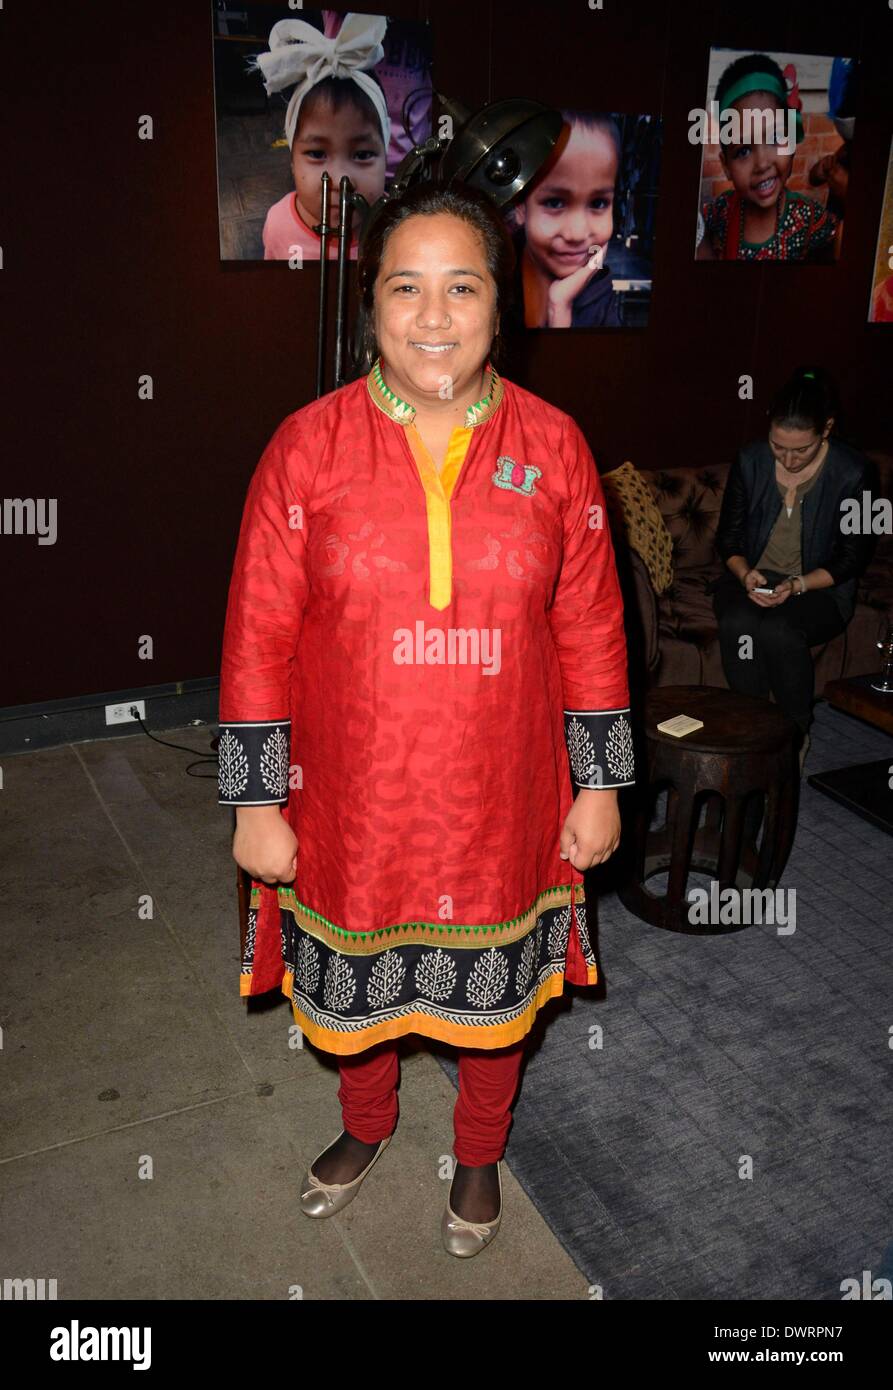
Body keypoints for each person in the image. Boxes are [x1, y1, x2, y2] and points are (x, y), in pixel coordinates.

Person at [216, 180, 635, 1257]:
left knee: (494, 1002)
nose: (434, 315)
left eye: (461, 286)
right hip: (350, 798)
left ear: (504, 308)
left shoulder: (553, 448)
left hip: (505, 795)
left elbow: (590, 624)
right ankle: (366, 1126)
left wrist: (597, 781)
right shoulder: (304, 449)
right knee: (355, 991)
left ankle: (480, 1150)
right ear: (373, 305)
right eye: (407, 287)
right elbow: (257, 634)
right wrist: (257, 798)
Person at [712, 366, 877, 770]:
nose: (787, 458)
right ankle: (754, 729)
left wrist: (798, 585)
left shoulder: (856, 472)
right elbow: (728, 539)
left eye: (799, 450)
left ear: (827, 429)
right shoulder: (750, 461)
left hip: (820, 587)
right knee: (737, 622)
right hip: (750, 576)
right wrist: (744, 572)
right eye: (777, 446)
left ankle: (793, 733)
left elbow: (854, 556)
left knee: (779, 629)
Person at [246, 13, 390, 261]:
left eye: (363, 154)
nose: (340, 179)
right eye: (316, 153)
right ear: (292, 161)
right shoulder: (278, 225)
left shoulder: (395, 227)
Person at [697, 53, 839, 262]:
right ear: (726, 165)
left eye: (775, 137)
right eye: (743, 151)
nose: (762, 164)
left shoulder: (811, 219)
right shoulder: (718, 215)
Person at [504, 111, 622, 328]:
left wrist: (560, 307)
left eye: (598, 203)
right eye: (555, 203)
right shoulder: (496, 280)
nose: (577, 233)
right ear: (520, 207)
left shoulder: (601, 302)